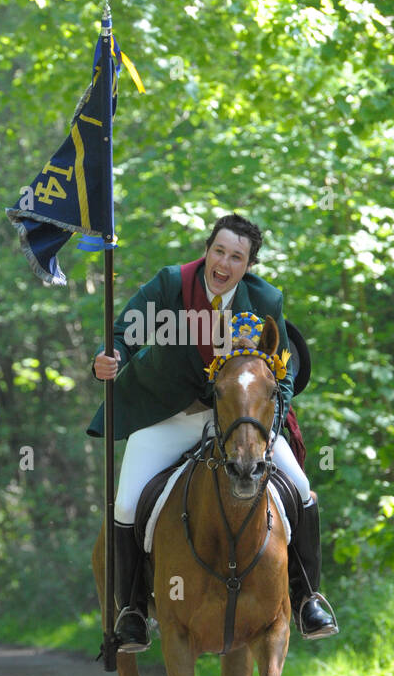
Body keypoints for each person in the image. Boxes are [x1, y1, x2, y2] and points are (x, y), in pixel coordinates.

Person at [89, 213, 338, 652]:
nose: (223, 264)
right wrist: (109, 357)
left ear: (248, 265)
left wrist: (269, 425)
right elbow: (123, 332)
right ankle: (131, 612)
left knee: (301, 489)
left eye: (236, 257)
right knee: (127, 502)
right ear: (207, 250)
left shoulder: (265, 300)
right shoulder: (172, 284)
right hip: (170, 414)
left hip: (239, 418)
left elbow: (278, 376)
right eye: (218, 251)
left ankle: (306, 599)